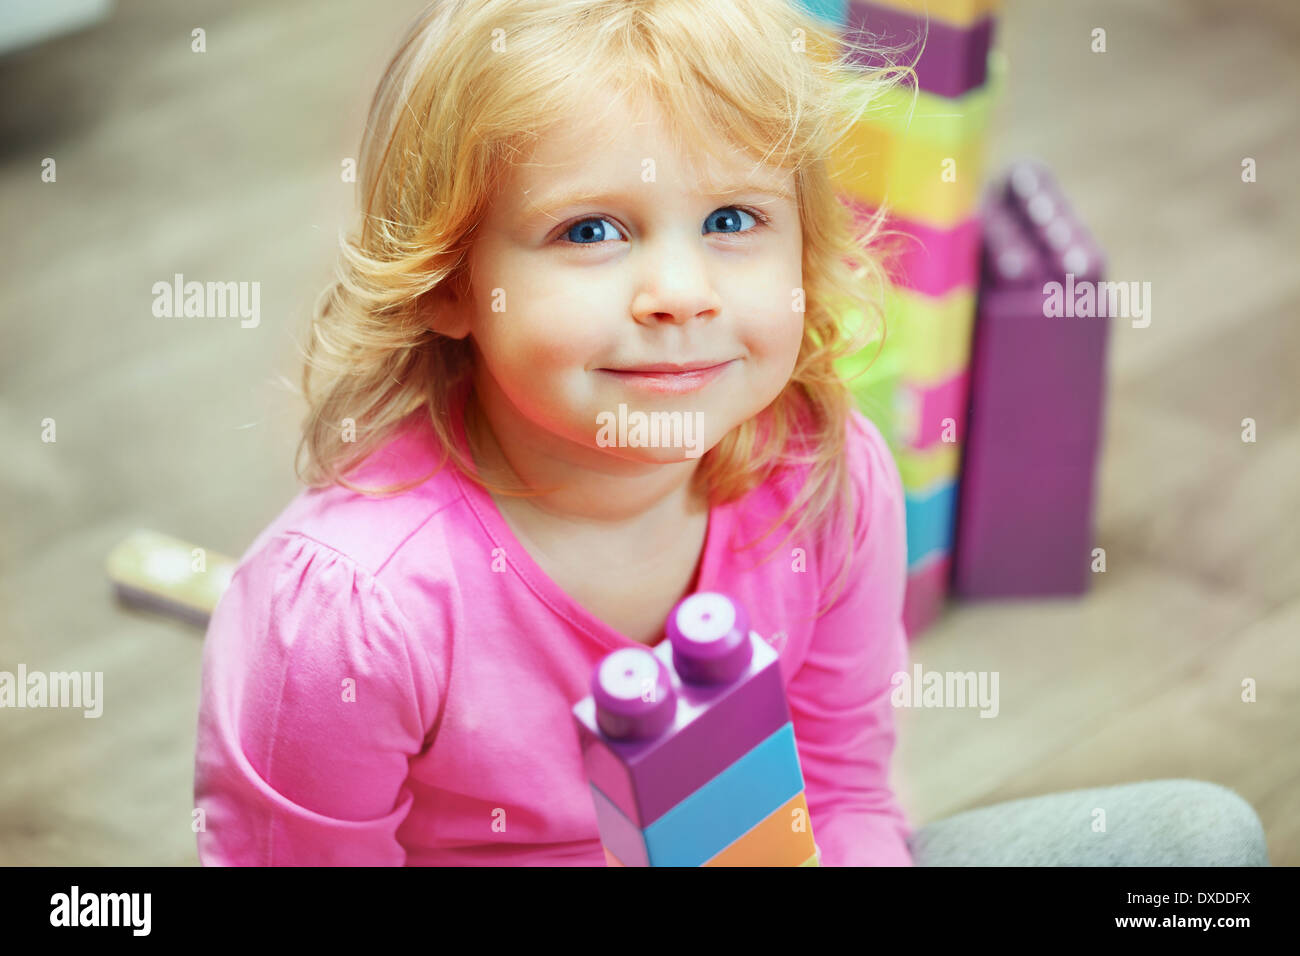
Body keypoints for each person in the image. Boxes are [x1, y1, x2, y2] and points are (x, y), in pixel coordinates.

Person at [192, 0, 1269, 867]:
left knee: (1197, 845)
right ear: (447, 285)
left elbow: (841, 782)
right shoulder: (344, 614)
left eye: (731, 220)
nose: (679, 291)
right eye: (591, 229)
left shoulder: (825, 478)